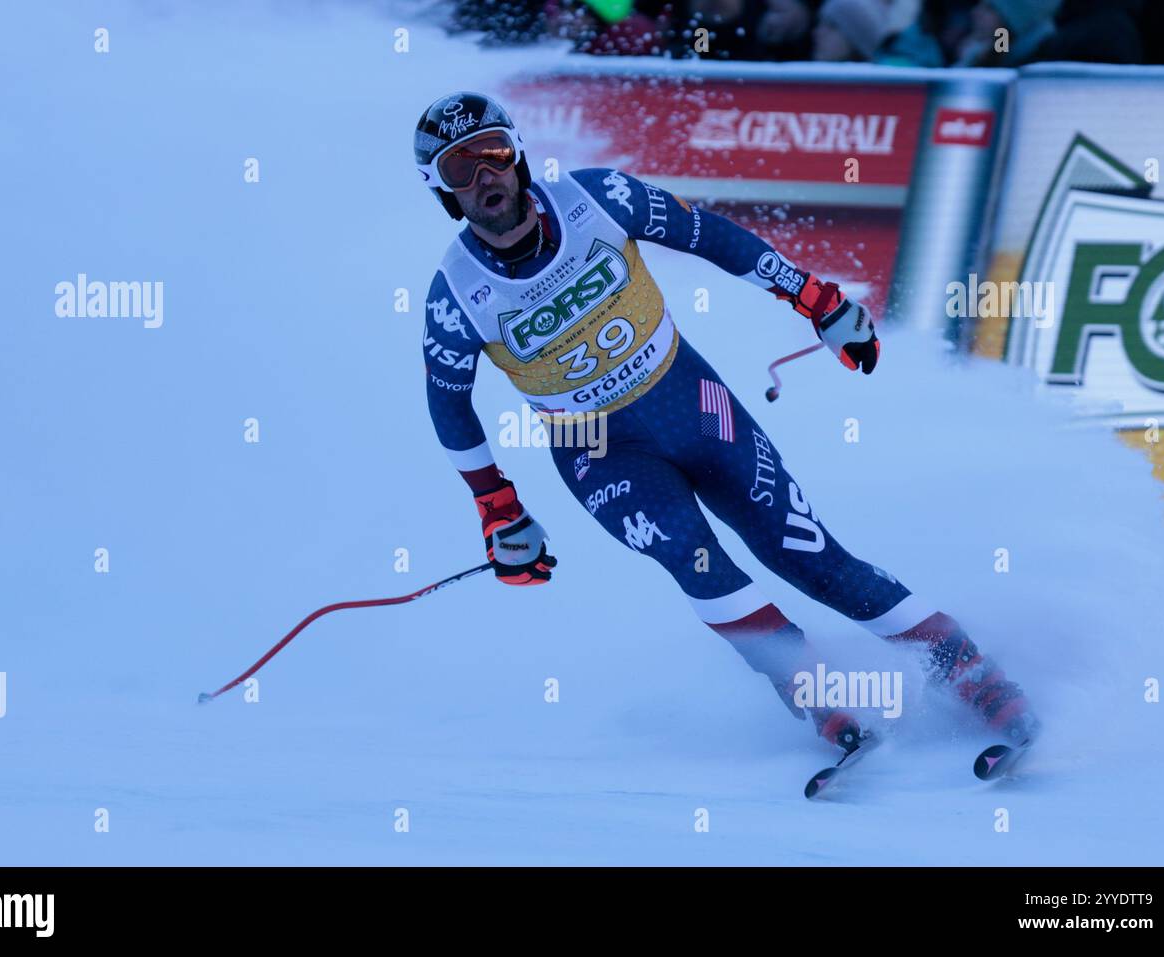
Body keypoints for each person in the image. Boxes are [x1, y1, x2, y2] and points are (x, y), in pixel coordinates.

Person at [414, 91, 1040, 758]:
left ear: (519, 156)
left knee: (811, 558)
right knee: (698, 560)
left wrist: (814, 299)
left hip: (688, 398)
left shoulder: (596, 198)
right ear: (444, 193)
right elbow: (450, 405)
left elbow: (708, 235)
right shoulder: (454, 296)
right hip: (595, 445)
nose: (486, 178)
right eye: (462, 168)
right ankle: (822, 703)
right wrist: (498, 508)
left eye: (495, 154)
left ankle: (976, 675)